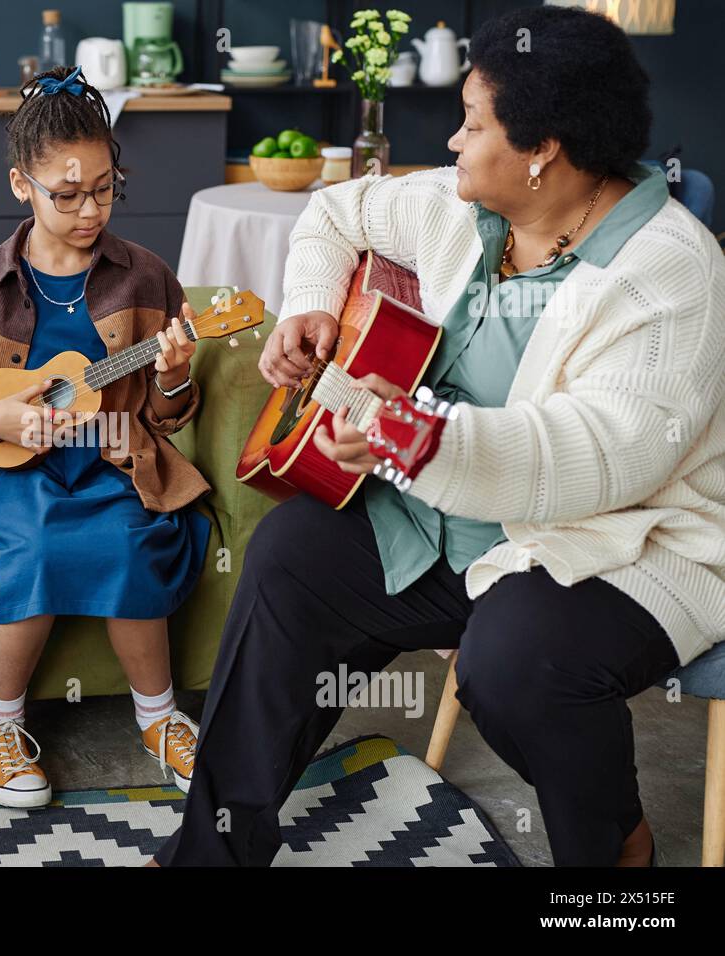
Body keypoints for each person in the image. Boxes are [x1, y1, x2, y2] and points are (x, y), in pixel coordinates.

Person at [154, 5, 725, 866]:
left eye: (472, 124)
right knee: (291, 556)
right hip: (440, 519)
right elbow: (336, 213)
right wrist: (312, 300)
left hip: (610, 541)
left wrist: (416, 440)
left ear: (544, 150)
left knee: (515, 662)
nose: (452, 143)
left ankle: (613, 853)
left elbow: (600, 456)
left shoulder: (671, 270)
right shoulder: (467, 211)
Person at [0, 66, 212, 808]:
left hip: (110, 459)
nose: (90, 208)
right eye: (67, 194)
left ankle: (159, 719)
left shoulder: (148, 278)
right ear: (21, 185)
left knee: (132, 538)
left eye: (104, 187)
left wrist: (175, 375)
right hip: (3, 467)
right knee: (30, 541)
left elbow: (165, 417)